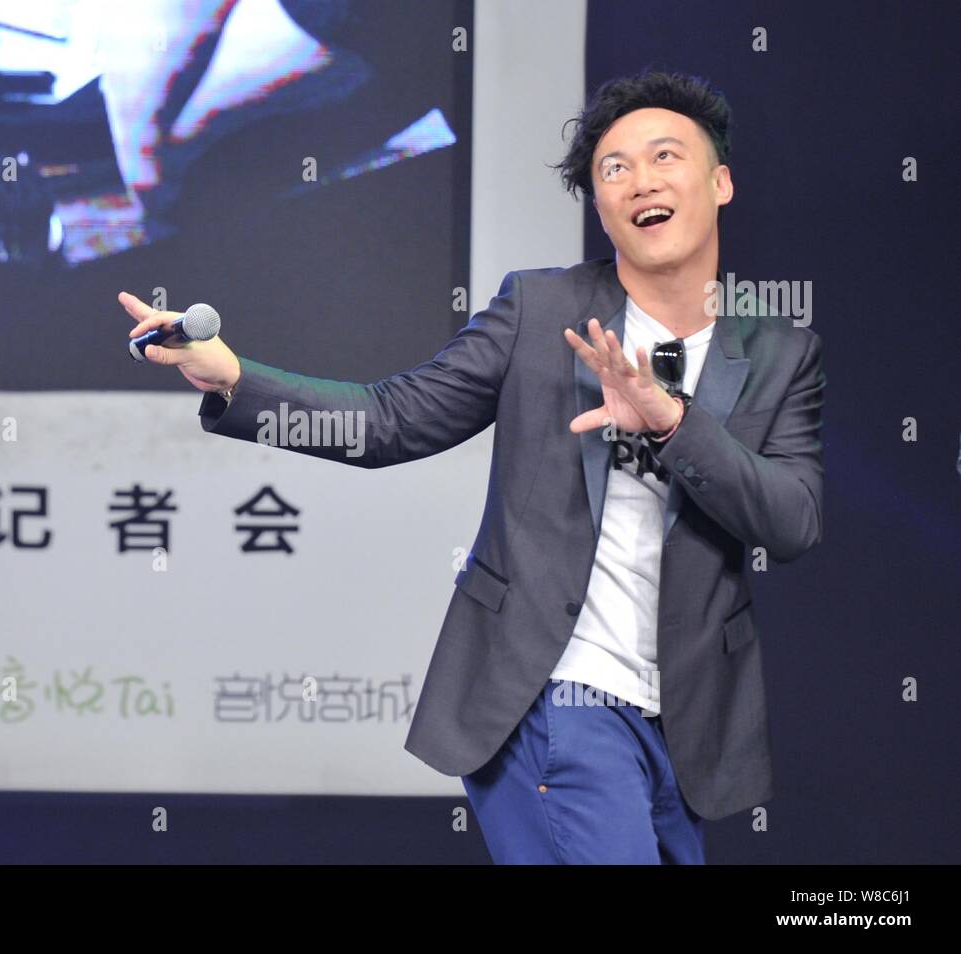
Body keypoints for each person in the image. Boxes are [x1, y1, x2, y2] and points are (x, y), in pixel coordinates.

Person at [115, 69, 825, 864]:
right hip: (552, 698)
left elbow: (790, 520)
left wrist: (672, 422)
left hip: (685, 728)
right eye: (613, 169)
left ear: (720, 182)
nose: (640, 181)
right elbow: (391, 419)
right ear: (599, 203)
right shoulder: (541, 311)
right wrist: (239, 379)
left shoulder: (777, 350)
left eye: (666, 157)